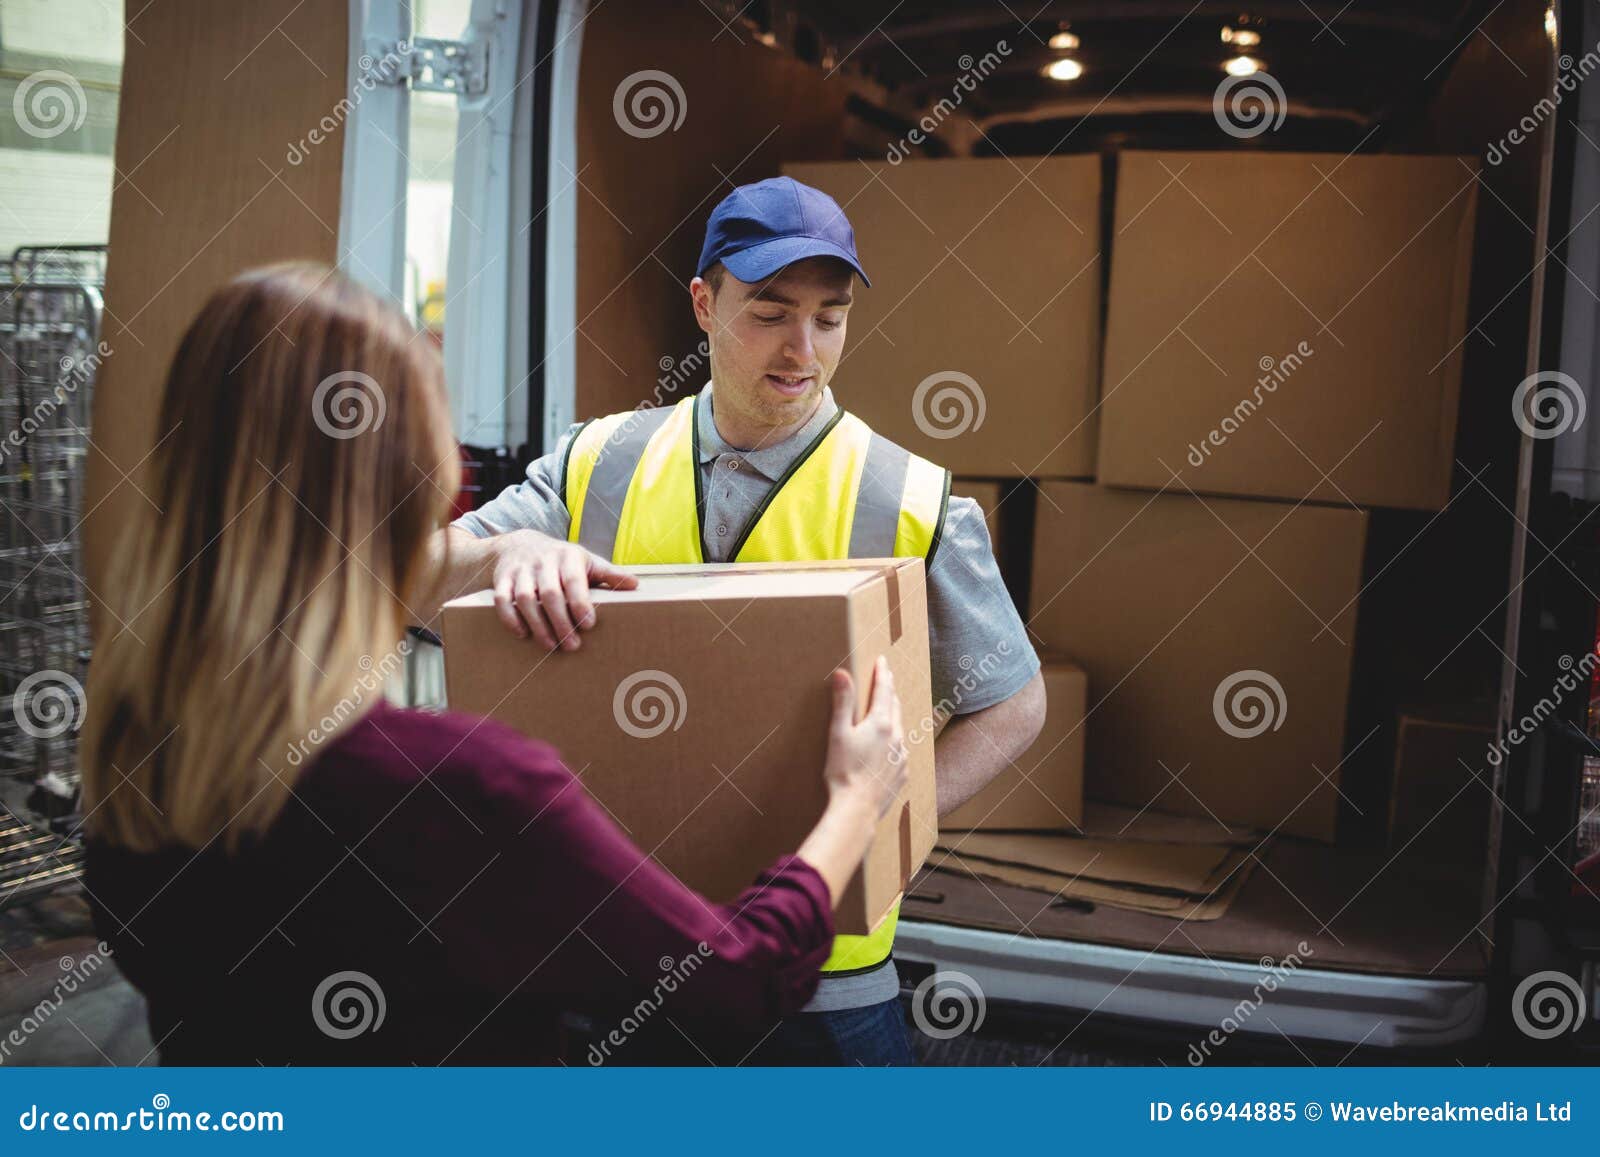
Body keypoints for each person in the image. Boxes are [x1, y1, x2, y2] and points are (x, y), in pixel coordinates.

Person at [77, 263, 908, 1065]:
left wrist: (509, 546)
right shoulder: (468, 789)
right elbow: (735, 977)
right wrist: (854, 803)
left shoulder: (132, 757)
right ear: (426, 478)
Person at [424, 176, 1048, 1065]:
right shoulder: (599, 461)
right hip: (623, 960)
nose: (804, 349)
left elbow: (1015, 703)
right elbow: (401, 584)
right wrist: (497, 555)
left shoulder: (909, 498)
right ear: (704, 304)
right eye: (770, 311)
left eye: (829, 317)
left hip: (826, 990)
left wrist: (889, 819)